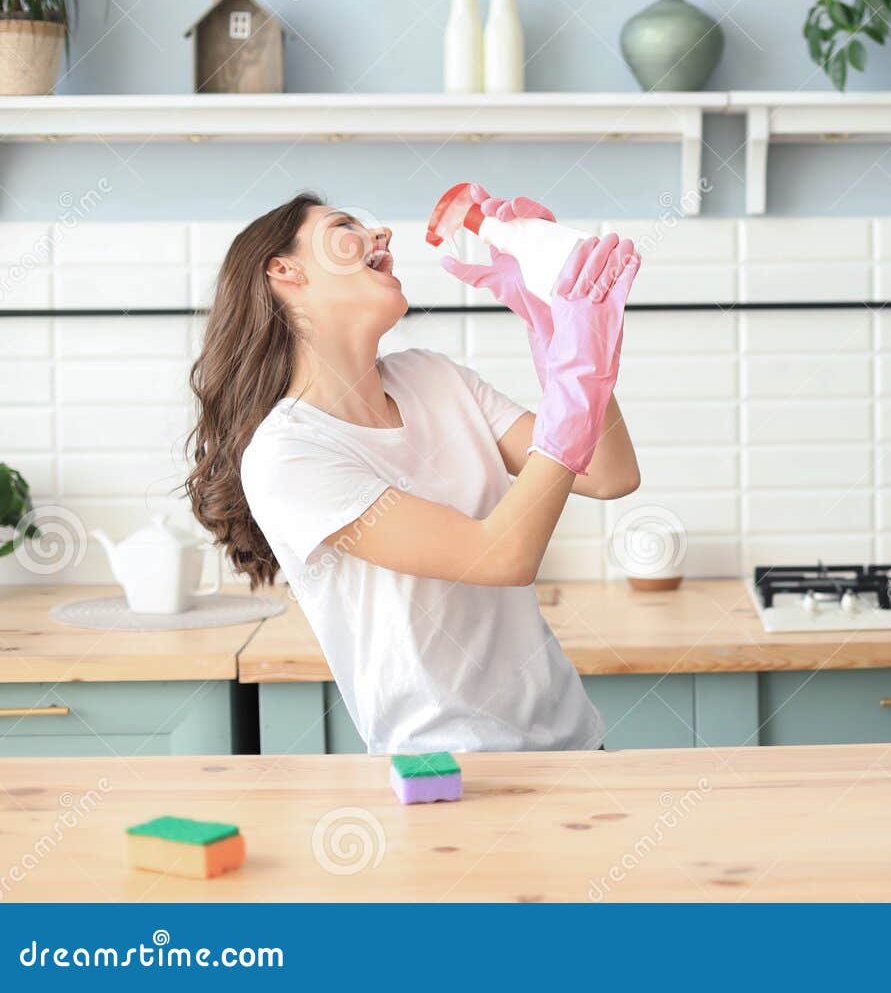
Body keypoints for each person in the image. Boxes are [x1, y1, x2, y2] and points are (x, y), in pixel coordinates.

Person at [185, 191, 640, 753]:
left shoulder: (432, 377)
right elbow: (500, 555)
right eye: (344, 226)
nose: (383, 237)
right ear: (284, 270)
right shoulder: (289, 454)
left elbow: (609, 472)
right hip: (451, 766)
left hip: (574, 743)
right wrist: (577, 370)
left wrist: (549, 331)